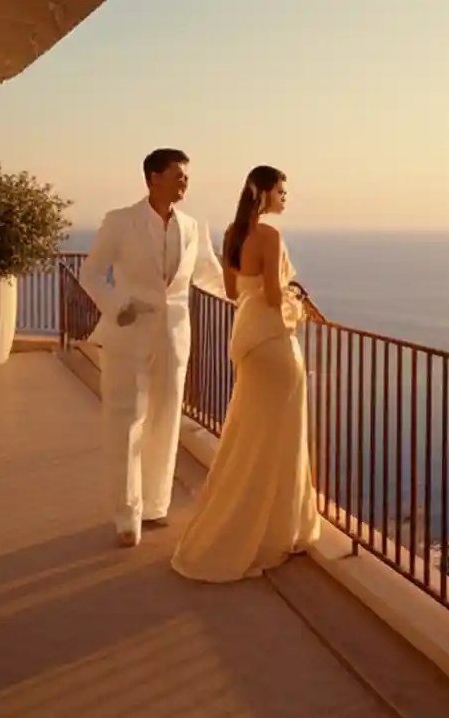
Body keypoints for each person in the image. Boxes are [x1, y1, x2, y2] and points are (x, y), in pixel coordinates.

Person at [171, 165, 321, 582]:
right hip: (273, 341)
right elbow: (273, 295)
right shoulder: (270, 236)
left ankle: (240, 526)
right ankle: (269, 532)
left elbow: (237, 292)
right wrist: (295, 300)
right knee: (281, 437)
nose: (285, 198)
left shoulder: (233, 234)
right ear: (267, 193)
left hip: (247, 337)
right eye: (283, 191)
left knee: (250, 436)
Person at [79, 148, 227, 548]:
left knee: (165, 419)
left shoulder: (193, 227)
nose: (185, 182)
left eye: (186, 176)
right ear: (153, 177)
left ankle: (155, 505)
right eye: (178, 175)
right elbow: (91, 272)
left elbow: (209, 275)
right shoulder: (120, 221)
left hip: (174, 337)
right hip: (128, 335)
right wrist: (115, 306)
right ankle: (127, 515)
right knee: (125, 423)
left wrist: (251, 294)